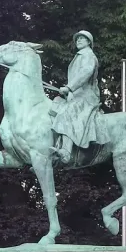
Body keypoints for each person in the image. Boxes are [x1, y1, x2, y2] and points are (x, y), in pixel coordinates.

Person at [49, 30, 107, 164]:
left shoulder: (89, 55)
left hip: (86, 96)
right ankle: (54, 150)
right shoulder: (80, 56)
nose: (78, 40)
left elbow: (85, 73)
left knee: (67, 112)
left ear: (89, 42)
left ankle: (66, 151)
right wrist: (69, 91)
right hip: (75, 95)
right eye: (77, 39)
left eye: (82, 38)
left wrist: (69, 87)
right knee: (54, 107)